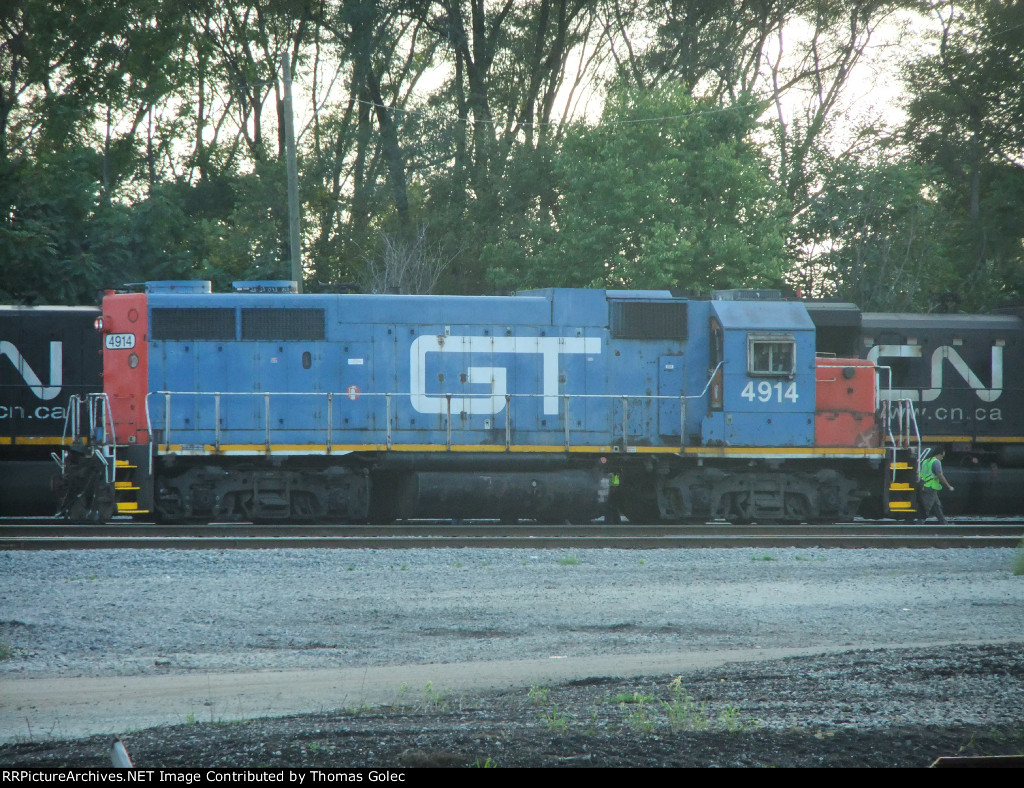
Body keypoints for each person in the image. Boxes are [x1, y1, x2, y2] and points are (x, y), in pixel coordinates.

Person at [919, 448, 955, 524]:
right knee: (926, 507)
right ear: (938, 454)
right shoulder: (936, 462)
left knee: (937, 506)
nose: (942, 458)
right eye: (942, 456)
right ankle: (918, 524)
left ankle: (944, 523)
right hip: (930, 487)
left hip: (924, 485)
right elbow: (940, 475)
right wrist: (948, 486)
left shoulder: (926, 461)